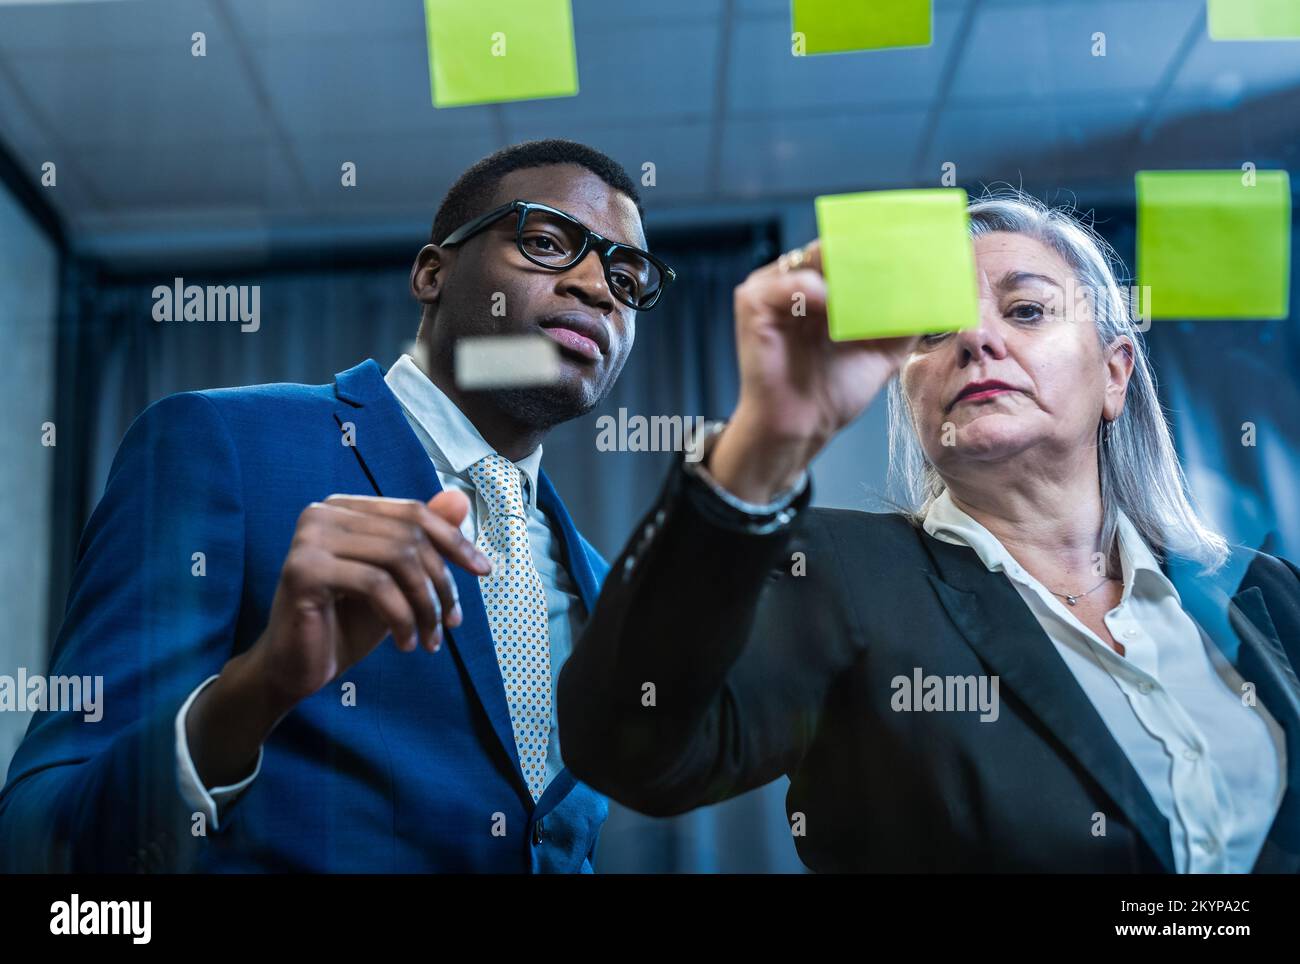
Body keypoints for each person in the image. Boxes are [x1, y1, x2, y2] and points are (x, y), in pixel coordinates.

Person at [558, 191, 1300, 873]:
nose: (976, 339)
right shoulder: (838, 573)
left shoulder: (1258, 590)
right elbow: (634, 748)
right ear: (906, 388)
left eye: (1028, 311)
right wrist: (764, 441)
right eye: (936, 327)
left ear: (1115, 374)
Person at [0, 138, 675, 873]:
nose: (597, 287)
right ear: (432, 273)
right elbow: (39, 843)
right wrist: (257, 688)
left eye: (627, 276)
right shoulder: (219, 446)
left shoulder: (607, 593)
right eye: (547, 242)